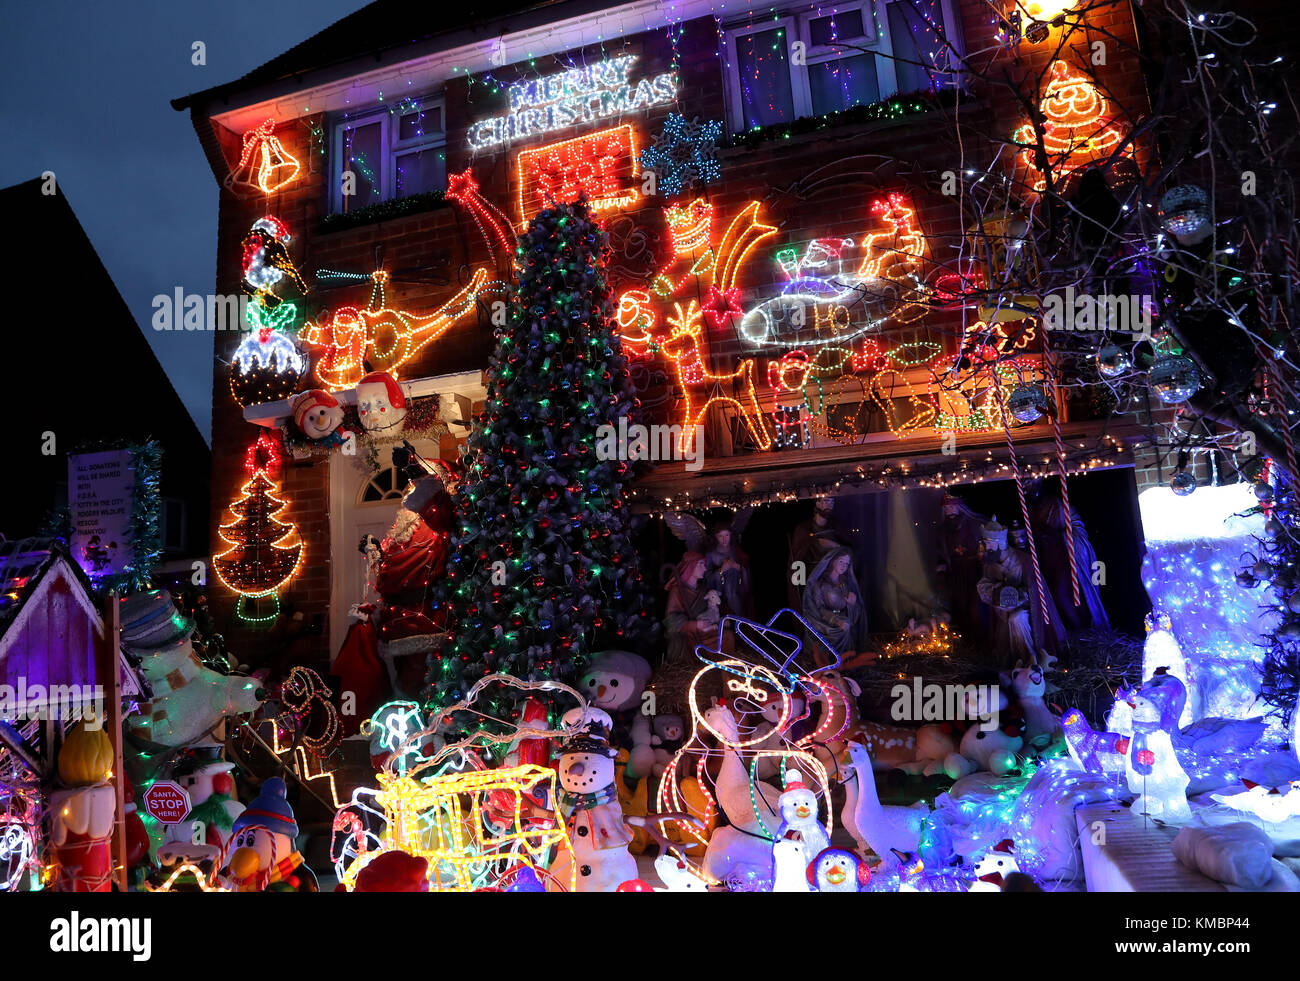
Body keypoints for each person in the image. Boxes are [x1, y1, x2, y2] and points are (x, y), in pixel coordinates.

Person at [802, 546, 869, 658]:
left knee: (847, 625)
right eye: (841, 561)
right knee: (843, 627)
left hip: (844, 619)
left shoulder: (845, 584)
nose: (844, 566)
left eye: (847, 564)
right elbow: (819, 609)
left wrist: (852, 604)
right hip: (825, 622)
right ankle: (832, 659)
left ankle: (846, 658)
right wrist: (836, 620)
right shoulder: (821, 584)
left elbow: (855, 611)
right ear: (833, 561)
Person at [664, 552, 720, 665]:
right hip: (689, 636)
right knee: (724, 639)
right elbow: (671, 621)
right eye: (700, 564)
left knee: (726, 636)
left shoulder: (702, 589)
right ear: (691, 567)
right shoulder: (677, 591)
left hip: (705, 631)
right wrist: (695, 625)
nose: (704, 568)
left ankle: (721, 670)